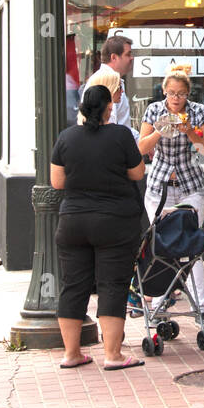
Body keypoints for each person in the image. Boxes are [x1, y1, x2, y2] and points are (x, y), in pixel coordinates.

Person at [49, 84, 147, 370]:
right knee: (112, 285)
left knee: (74, 286)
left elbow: (57, 182)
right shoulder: (120, 135)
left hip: (73, 221)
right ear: (108, 108)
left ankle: (71, 354)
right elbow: (138, 172)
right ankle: (113, 355)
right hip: (115, 222)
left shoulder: (66, 137)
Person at [138, 69, 204, 327]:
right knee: (161, 245)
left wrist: (189, 131)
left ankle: (201, 308)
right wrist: (162, 130)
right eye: (171, 93)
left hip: (190, 184)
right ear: (164, 92)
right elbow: (141, 148)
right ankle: (160, 305)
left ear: (188, 94)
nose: (176, 98)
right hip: (160, 185)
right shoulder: (153, 110)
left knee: (192, 246)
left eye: (181, 94)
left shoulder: (199, 112)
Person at [94, 34, 134, 128]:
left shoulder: (113, 79)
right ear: (114, 57)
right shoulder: (104, 80)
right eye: (128, 54)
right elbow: (110, 124)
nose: (131, 58)